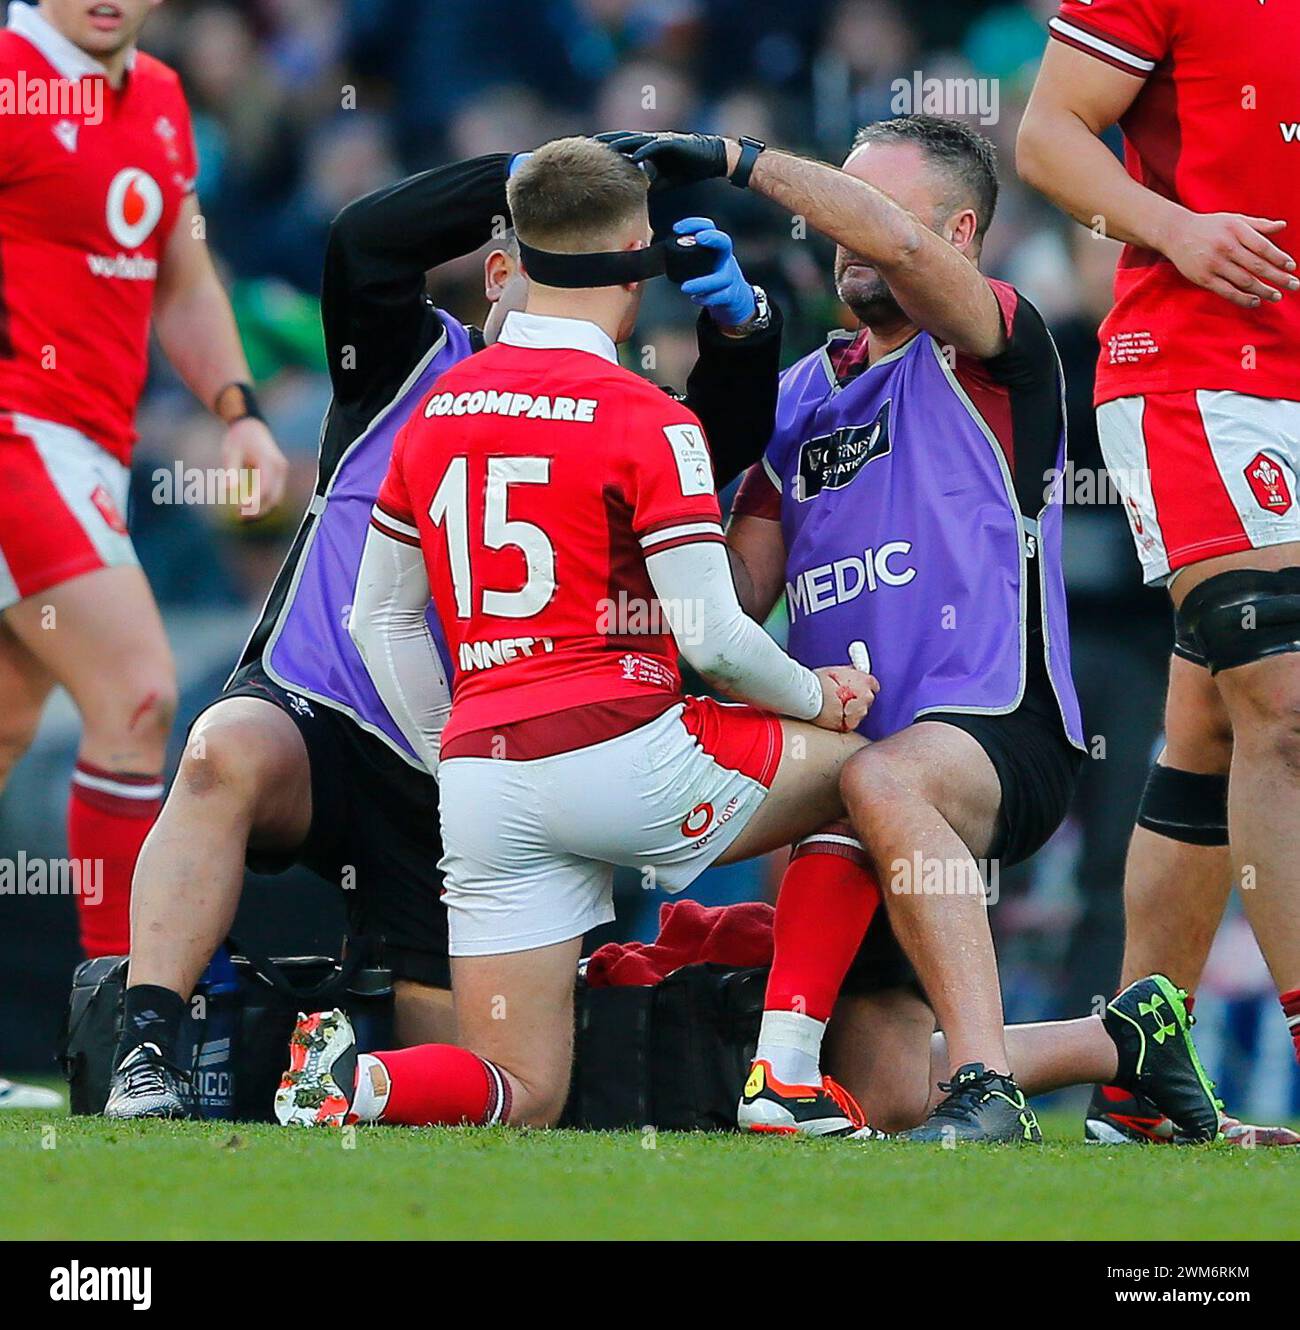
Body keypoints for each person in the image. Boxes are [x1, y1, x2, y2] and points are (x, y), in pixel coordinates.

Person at [105, 139, 788, 1118]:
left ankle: (342, 1076)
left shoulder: (609, 405)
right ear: (500, 272)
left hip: (474, 768)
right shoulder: (403, 355)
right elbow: (366, 239)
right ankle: (146, 1048)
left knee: (475, 1086)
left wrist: (742, 331)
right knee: (221, 753)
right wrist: (553, 172)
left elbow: (717, 442)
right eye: (535, 259)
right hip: (324, 712)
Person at [275, 136, 881, 1134]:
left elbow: (375, 617)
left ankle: (358, 1079)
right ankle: (785, 1069)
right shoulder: (646, 417)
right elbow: (715, 636)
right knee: (871, 782)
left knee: (520, 1090)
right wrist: (820, 696)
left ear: (517, 258)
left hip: (484, 783)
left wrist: (452, 750)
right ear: (639, 260)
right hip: (629, 757)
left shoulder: (436, 413)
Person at [628, 120, 1217, 1143]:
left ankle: (989, 1087)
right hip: (853, 770)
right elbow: (727, 599)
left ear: (956, 233)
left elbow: (900, 254)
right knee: (890, 1093)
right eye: (838, 214)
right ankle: (1120, 1042)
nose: (848, 239)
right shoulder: (797, 398)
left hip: (997, 729)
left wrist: (735, 161)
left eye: (873, 212)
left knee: (879, 779)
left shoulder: (994, 349)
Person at [1018, 0, 1300, 1146]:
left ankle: (1143, 1084)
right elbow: (1047, 134)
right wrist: (1174, 229)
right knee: (1284, 702)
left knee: (1214, 729)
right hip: (1200, 368)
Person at [0, 0, 285, 1106]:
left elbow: (181, 275)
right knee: (139, 694)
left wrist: (238, 408)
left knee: (14, 723)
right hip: (18, 431)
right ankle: (128, 1038)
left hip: (88, 445)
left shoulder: (159, 96)